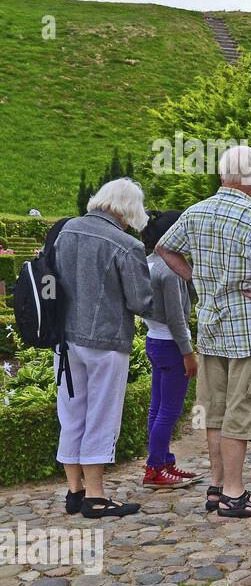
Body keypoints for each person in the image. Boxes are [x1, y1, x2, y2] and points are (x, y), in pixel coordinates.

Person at [155, 145, 251, 518]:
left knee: (214, 410)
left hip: (212, 328)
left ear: (222, 174)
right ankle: (234, 493)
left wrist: (197, 279)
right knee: (242, 411)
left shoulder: (197, 212)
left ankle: (216, 487)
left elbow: (165, 247)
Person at [55, 178, 153, 518]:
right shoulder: (126, 244)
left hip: (65, 339)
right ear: (128, 210)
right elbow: (141, 300)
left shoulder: (66, 231)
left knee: (70, 413)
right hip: (106, 341)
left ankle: (74, 492)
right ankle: (96, 497)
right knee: (100, 415)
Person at [140, 210, 201, 488]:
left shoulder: (147, 263)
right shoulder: (170, 269)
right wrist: (187, 352)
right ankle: (155, 468)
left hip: (154, 339)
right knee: (170, 411)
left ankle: (162, 461)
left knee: (157, 407)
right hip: (171, 344)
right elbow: (177, 318)